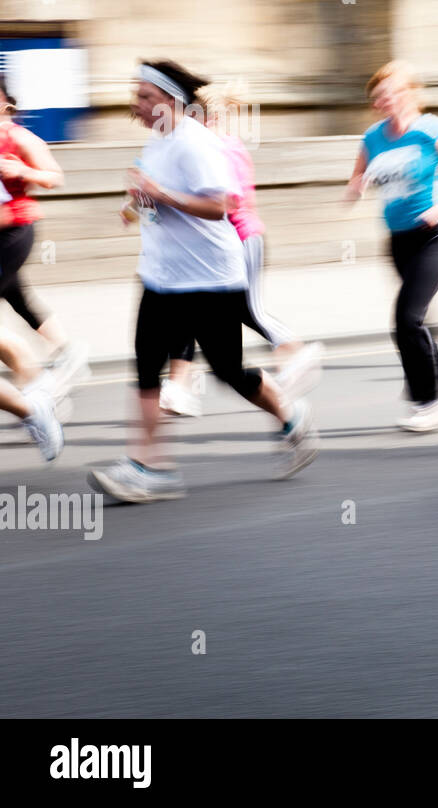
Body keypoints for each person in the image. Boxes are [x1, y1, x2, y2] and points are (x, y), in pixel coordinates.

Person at [91, 60, 318, 503]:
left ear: (171, 101)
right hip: (161, 277)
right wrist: (134, 204)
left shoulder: (196, 143)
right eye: (136, 96)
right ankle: (149, 467)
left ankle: (291, 418)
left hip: (209, 280)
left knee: (229, 372)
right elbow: (153, 203)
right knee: (145, 366)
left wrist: (160, 195)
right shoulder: (157, 144)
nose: (135, 105)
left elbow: (220, 204)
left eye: (144, 96)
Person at [160, 81, 323, 418]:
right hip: (222, 249)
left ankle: (295, 351)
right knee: (201, 313)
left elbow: (230, 199)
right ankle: (183, 386)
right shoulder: (209, 148)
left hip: (245, 239)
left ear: (208, 117)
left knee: (251, 310)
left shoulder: (226, 148)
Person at [345, 61, 438, 432]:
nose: (386, 99)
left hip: (434, 237)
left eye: (393, 91)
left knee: (407, 320)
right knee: (417, 323)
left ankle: (430, 401)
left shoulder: (432, 128)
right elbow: (358, 173)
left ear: (410, 93)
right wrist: (355, 187)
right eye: (380, 96)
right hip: (398, 241)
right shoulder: (373, 137)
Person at [0, 75, 89, 391]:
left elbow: (55, 177)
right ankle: (67, 353)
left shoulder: (20, 138)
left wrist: (22, 170)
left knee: (15, 298)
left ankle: (37, 388)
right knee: (19, 299)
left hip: (15, 232)